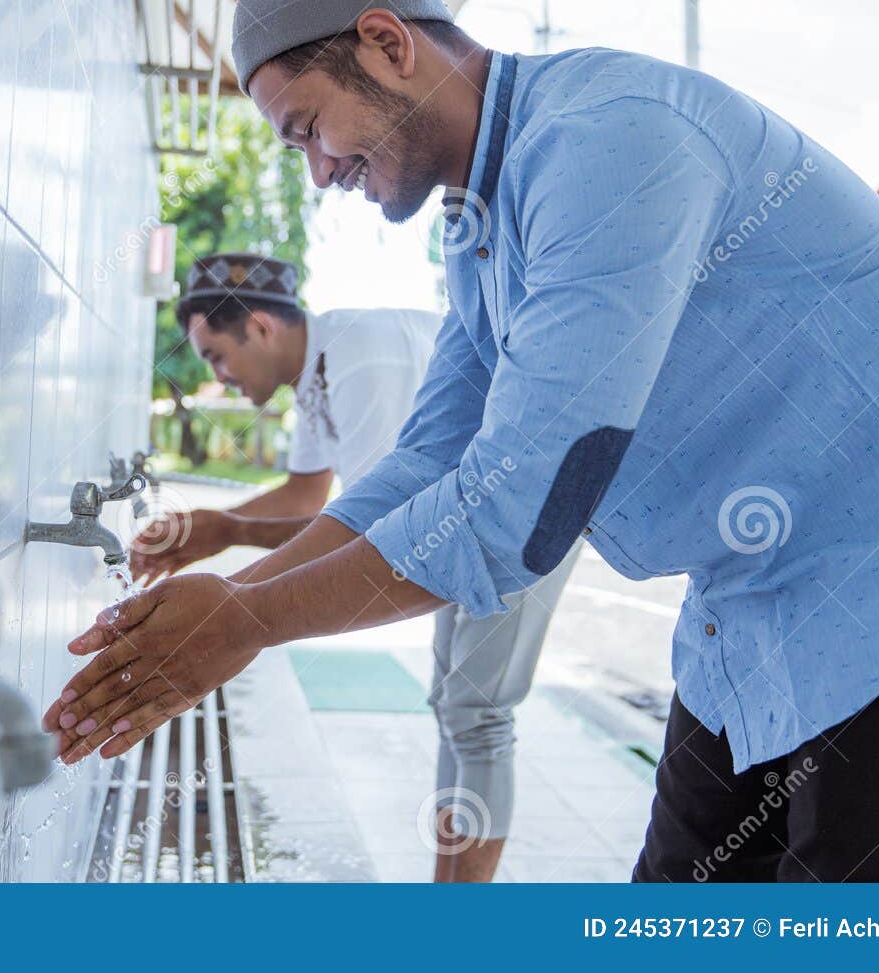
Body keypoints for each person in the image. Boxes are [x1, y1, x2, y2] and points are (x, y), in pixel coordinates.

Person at [46, 0, 879, 881]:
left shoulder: (611, 138)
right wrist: (232, 599)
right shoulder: (476, 224)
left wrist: (247, 619)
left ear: (384, 43)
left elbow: (524, 501)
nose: (319, 171)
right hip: (761, 595)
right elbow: (427, 461)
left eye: (312, 129)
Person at [135, 252, 578, 881]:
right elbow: (306, 499)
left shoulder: (359, 352)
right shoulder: (314, 372)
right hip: (466, 516)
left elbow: (371, 528)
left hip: (528, 502)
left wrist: (231, 583)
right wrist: (216, 545)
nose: (219, 376)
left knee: (476, 711)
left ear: (260, 327)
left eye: (216, 356)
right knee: (457, 705)